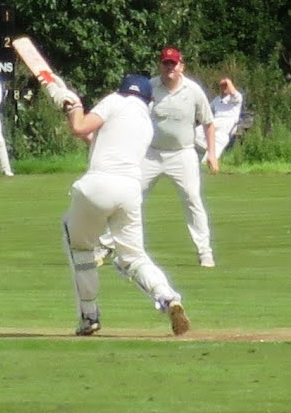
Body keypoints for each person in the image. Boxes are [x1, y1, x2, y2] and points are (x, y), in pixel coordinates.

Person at [55, 72, 188, 337]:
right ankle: (167, 296)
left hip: (97, 185)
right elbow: (97, 140)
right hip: (129, 191)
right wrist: (72, 112)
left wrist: (74, 106)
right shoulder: (146, 122)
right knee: (133, 256)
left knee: (81, 250)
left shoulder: (114, 100)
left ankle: (89, 316)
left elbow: (80, 127)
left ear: (123, 89)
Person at [145, 47, 219, 267]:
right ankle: (107, 245)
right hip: (151, 153)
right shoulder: (149, 87)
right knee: (129, 196)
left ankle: (205, 252)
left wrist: (212, 154)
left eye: (173, 63)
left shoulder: (193, 90)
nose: (170, 67)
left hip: (183, 153)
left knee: (192, 199)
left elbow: (208, 123)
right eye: (166, 63)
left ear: (181, 66)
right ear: (160, 65)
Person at [205, 78, 245, 166]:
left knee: (220, 140)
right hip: (215, 123)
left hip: (226, 126)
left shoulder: (236, 97)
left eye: (225, 85)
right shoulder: (217, 99)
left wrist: (228, 81)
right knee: (196, 133)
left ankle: (211, 162)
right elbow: (206, 111)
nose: (223, 88)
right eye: (222, 86)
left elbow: (233, 92)